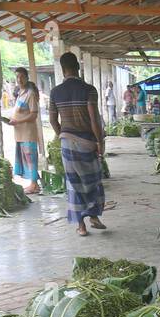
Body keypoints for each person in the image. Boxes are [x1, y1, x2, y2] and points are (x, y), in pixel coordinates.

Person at [49, 52, 107, 236]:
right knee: (93, 181)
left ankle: (81, 226)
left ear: (63, 69)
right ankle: (94, 217)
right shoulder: (89, 89)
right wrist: (100, 141)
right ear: (78, 67)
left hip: (67, 143)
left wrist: (63, 135)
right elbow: (94, 119)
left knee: (73, 184)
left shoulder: (55, 92)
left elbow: (52, 120)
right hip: (87, 143)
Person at [4, 67, 41, 195]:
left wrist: (17, 121)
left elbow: (33, 115)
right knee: (26, 159)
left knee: (31, 158)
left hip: (28, 133)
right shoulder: (20, 93)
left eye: (21, 77)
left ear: (26, 77)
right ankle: (32, 183)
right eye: (17, 77)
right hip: (20, 134)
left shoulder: (30, 94)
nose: (19, 79)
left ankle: (34, 185)